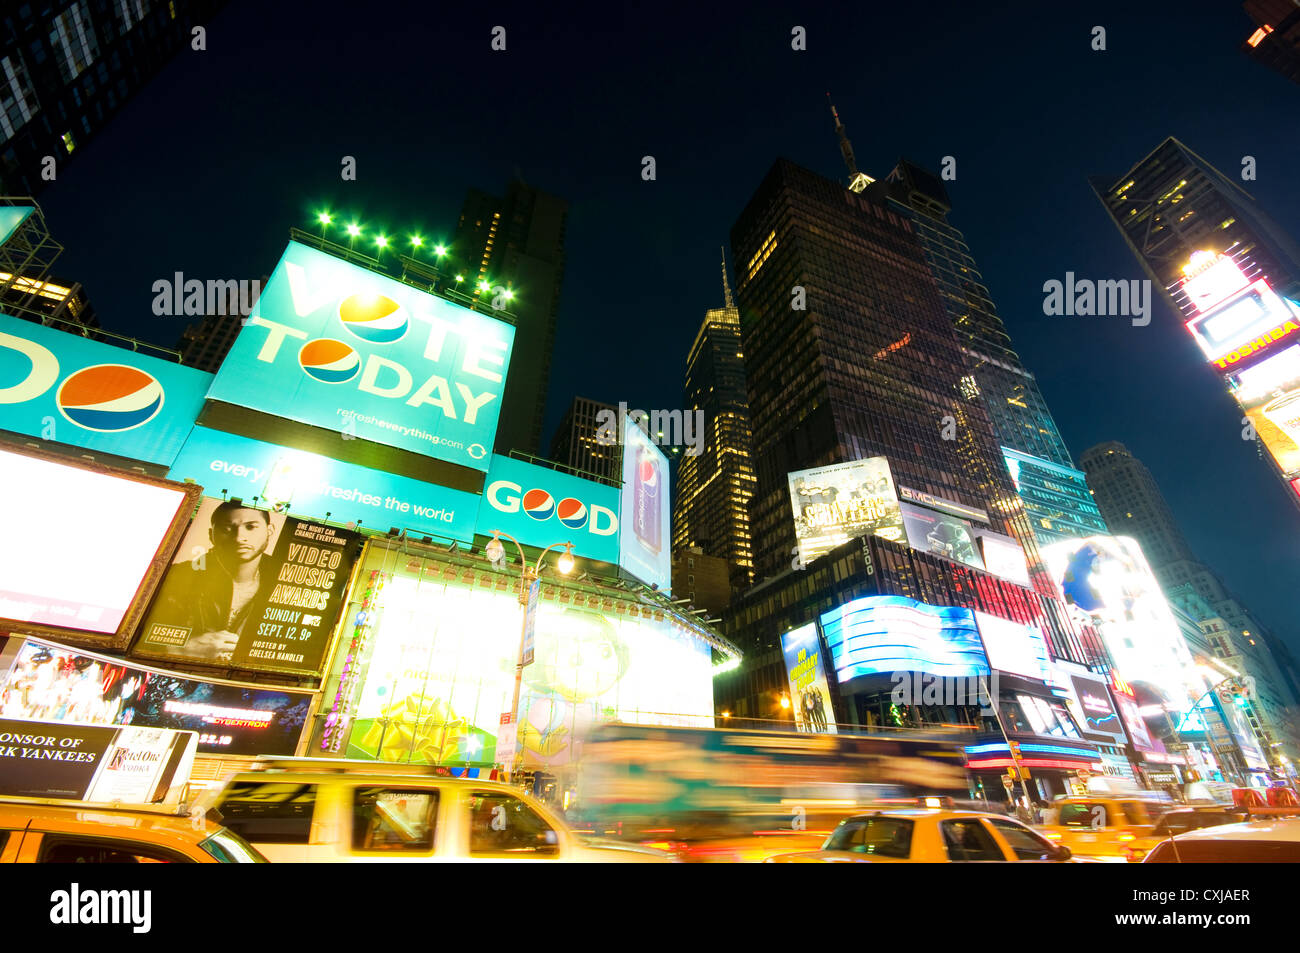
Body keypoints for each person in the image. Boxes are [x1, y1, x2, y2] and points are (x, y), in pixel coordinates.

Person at [147, 501, 279, 663]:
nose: (239, 537)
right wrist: (177, 648)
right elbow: (139, 634)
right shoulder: (177, 575)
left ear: (270, 531)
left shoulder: (285, 579)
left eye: (250, 527)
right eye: (226, 529)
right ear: (211, 535)